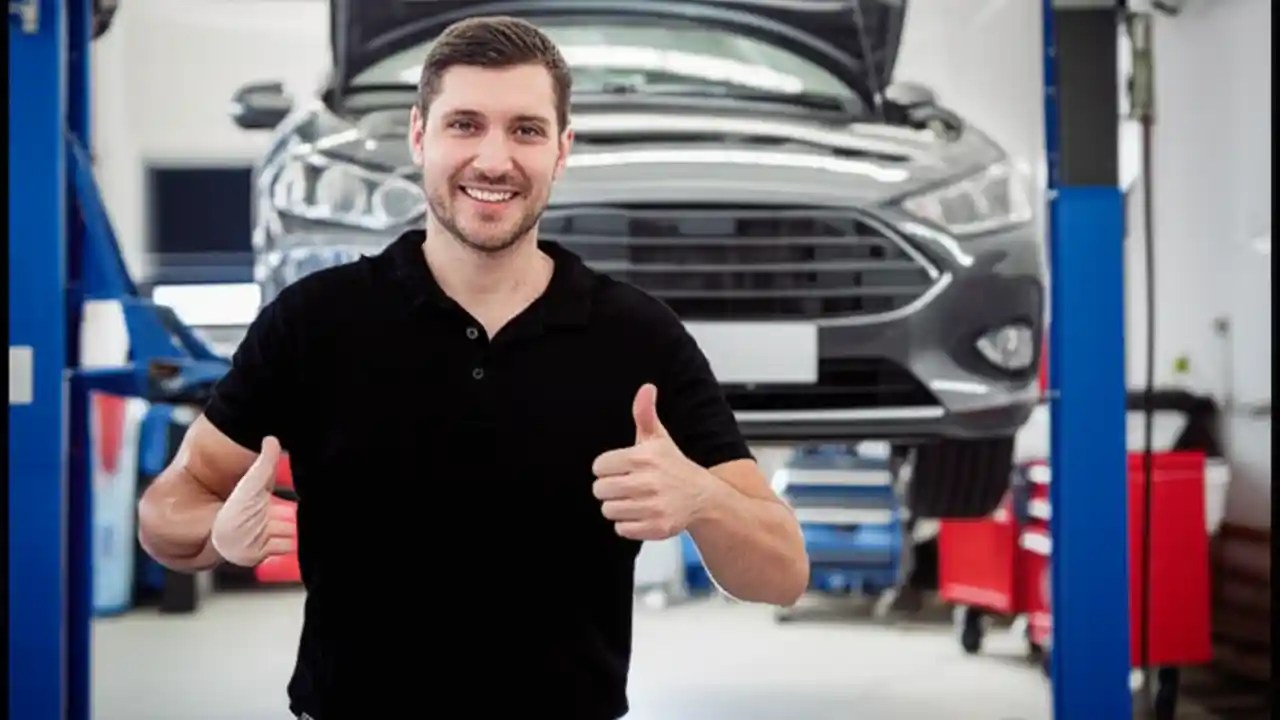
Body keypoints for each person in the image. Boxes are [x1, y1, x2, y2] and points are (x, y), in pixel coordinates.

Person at [137, 15, 808, 719]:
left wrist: (703, 498)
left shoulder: (639, 338)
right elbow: (166, 508)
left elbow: (784, 572)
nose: (494, 160)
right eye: (465, 125)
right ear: (419, 136)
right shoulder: (315, 322)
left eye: (525, 130)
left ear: (561, 150)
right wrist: (212, 535)